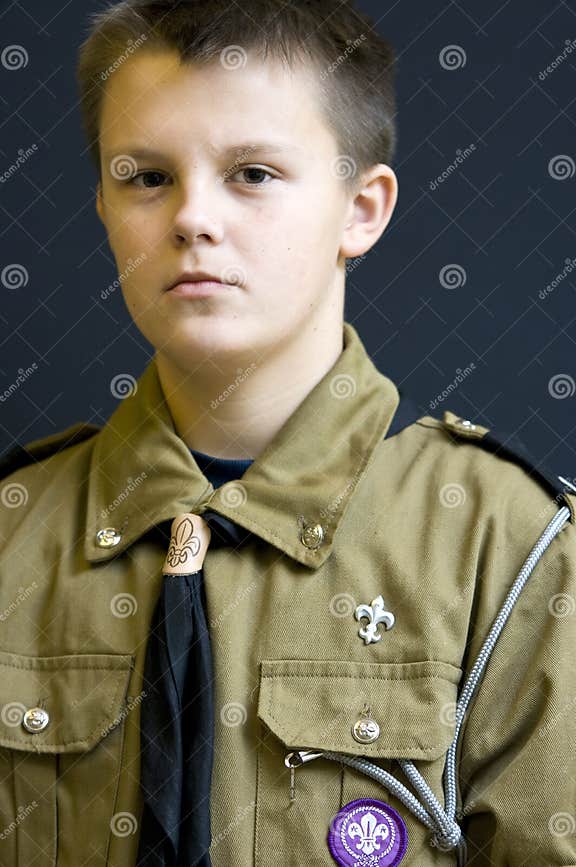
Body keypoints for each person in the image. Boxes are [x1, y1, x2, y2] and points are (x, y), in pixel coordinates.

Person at [0, 1, 574, 865]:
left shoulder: (510, 547)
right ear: (104, 209)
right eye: (147, 176)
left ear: (361, 210)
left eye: (254, 173)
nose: (192, 218)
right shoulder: (12, 531)